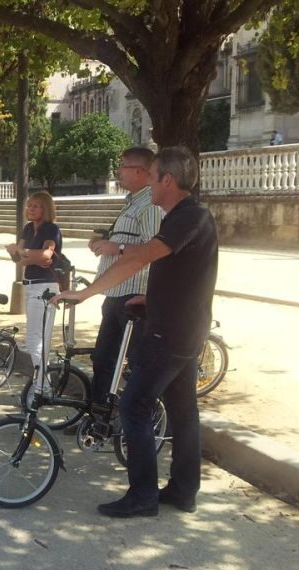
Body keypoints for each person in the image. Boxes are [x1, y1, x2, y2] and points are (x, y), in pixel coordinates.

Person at [53, 146, 218, 518]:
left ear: (167, 180)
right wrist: (150, 296)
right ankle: (182, 490)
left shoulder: (186, 217)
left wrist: (85, 291)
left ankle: (143, 496)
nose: (150, 185)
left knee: (134, 406)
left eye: (154, 176)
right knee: (182, 411)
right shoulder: (189, 216)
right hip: (182, 328)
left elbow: (138, 258)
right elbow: (183, 274)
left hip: (170, 334)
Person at [84, 148, 164, 430]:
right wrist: (105, 242)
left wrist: (114, 247)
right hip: (116, 293)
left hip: (134, 294)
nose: (119, 172)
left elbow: (151, 250)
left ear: (141, 172)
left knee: (132, 363)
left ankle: (138, 422)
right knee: (104, 359)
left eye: (124, 167)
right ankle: (98, 418)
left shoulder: (150, 207)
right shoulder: (132, 204)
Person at [5, 191, 61, 382]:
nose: (30, 209)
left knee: (35, 339)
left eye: (36, 206)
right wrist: (23, 254)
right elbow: (19, 260)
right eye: (29, 205)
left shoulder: (51, 229)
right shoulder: (28, 228)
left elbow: (47, 255)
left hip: (44, 287)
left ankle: (43, 384)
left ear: (46, 209)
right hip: (30, 286)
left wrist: (24, 252)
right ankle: (42, 384)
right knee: (37, 339)